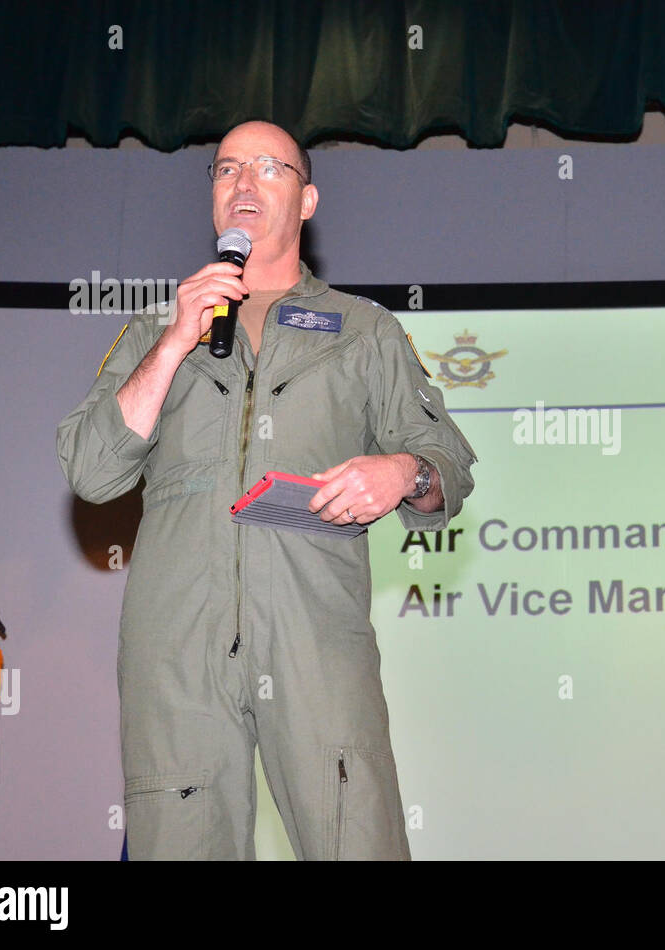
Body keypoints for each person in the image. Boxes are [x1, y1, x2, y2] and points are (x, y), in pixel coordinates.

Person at [56, 120, 477, 860]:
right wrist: (175, 338)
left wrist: (402, 472)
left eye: (267, 169)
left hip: (316, 640)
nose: (243, 185)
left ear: (307, 199)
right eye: (225, 171)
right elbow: (91, 471)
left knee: (359, 841)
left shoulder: (362, 330)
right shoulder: (157, 327)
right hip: (177, 648)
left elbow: (447, 461)